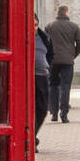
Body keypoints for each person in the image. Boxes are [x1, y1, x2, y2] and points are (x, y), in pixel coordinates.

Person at [46, 4, 80, 123]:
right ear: (66, 13)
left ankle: (53, 112)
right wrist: (73, 55)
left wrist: (49, 55)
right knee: (65, 86)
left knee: (53, 86)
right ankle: (64, 113)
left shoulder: (50, 26)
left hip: (53, 61)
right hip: (68, 61)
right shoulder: (74, 26)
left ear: (58, 13)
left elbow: (45, 42)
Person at [35, 12, 52, 149]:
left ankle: (32, 135)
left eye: (36, 25)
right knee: (28, 111)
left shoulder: (44, 37)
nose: (34, 27)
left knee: (42, 109)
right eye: (31, 25)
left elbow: (51, 54)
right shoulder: (20, 36)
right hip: (26, 77)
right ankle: (29, 139)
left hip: (42, 77)